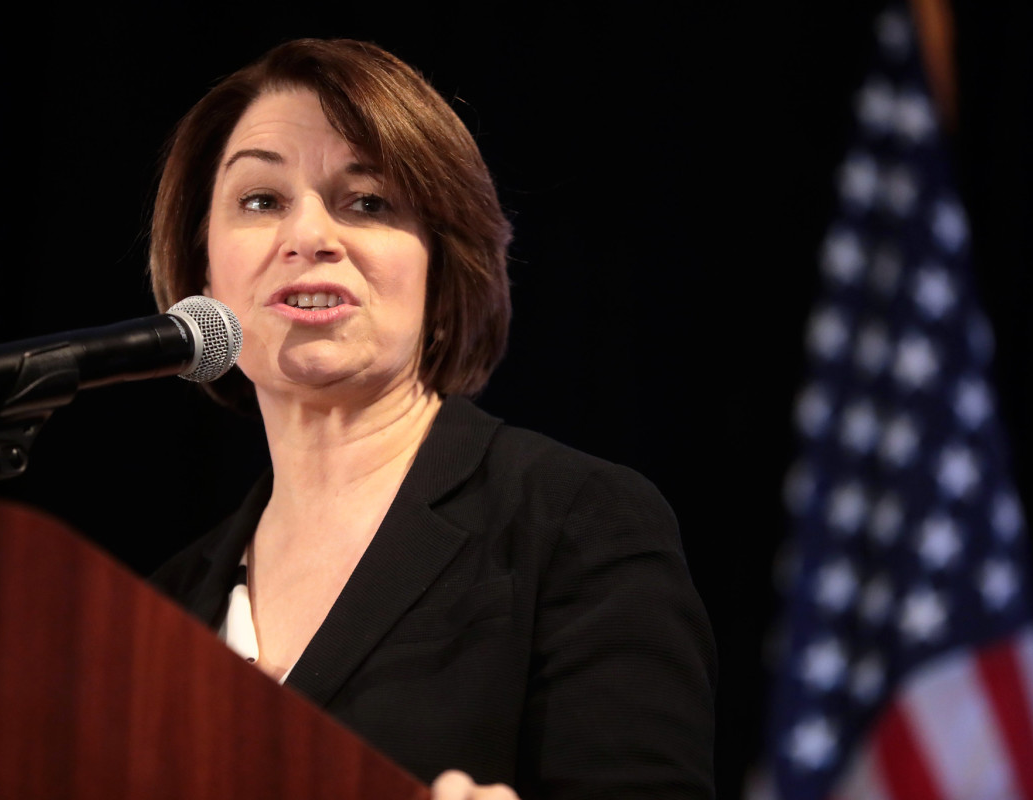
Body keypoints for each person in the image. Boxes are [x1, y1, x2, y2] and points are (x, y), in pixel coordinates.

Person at [147, 38, 717, 799]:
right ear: (202, 266)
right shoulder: (158, 612)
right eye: (261, 201)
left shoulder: (574, 525)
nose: (309, 236)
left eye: (368, 202)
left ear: (441, 265)